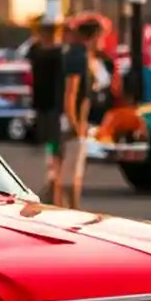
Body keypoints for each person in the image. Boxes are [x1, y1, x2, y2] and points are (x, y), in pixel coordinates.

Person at [58, 19, 104, 209]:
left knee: (70, 170)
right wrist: (75, 124)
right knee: (70, 172)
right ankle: (72, 209)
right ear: (92, 37)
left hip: (78, 121)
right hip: (73, 122)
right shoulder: (77, 56)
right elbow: (70, 93)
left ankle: (68, 208)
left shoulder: (82, 55)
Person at [26, 22, 65, 201]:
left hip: (46, 105)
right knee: (53, 147)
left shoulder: (37, 52)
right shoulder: (58, 54)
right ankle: (53, 182)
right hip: (51, 105)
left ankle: (53, 182)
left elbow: (31, 51)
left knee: (52, 147)